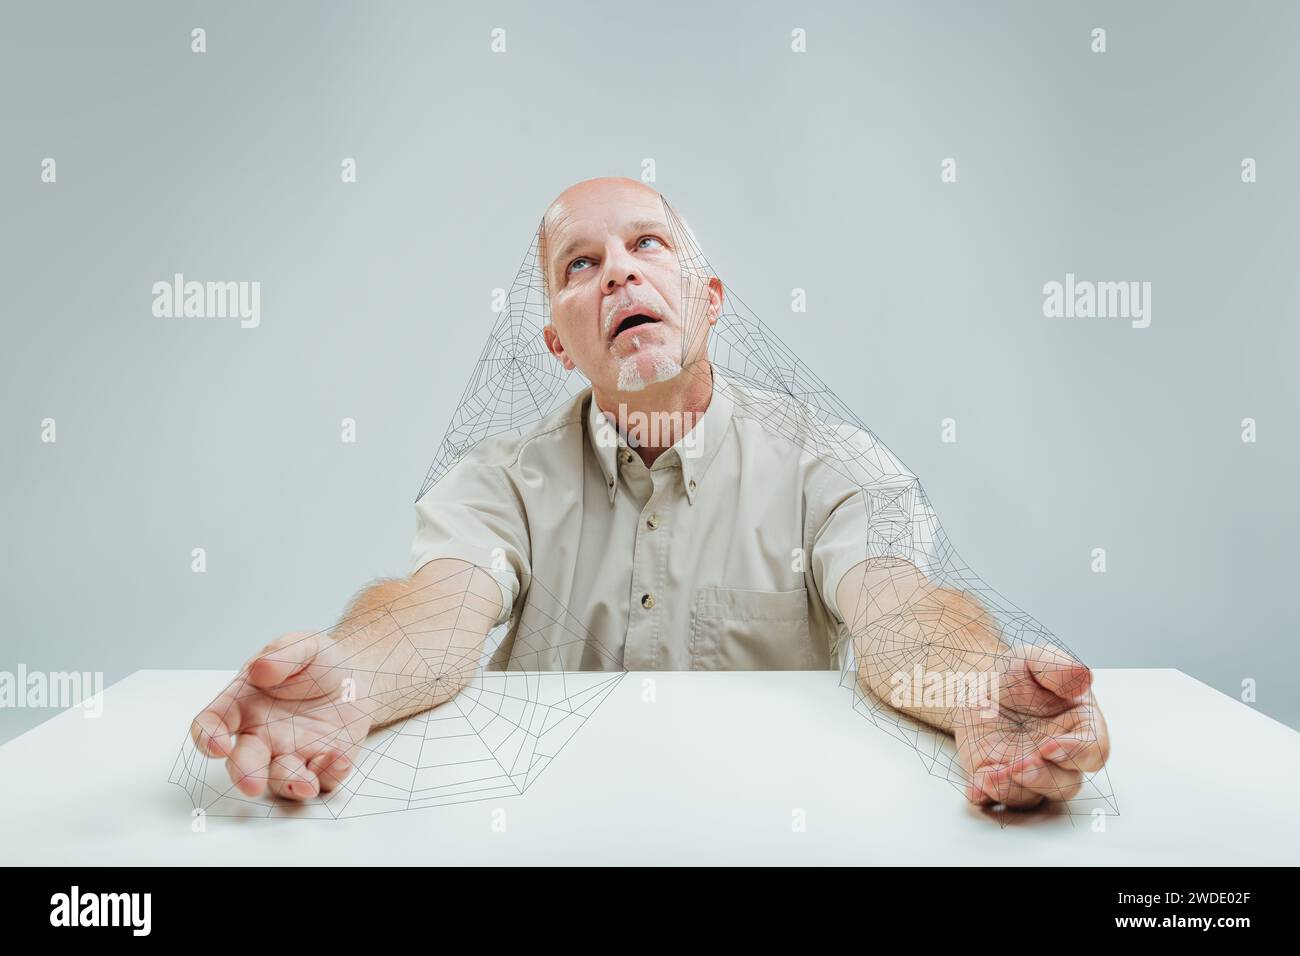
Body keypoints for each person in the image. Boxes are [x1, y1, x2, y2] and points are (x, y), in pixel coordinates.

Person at [189, 176, 1109, 811]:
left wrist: (976, 691)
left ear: (707, 298)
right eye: (579, 266)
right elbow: (435, 615)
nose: (619, 270)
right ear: (558, 344)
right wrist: (348, 683)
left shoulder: (831, 464)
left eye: (647, 245)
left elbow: (899, 607)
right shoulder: (498, 481)